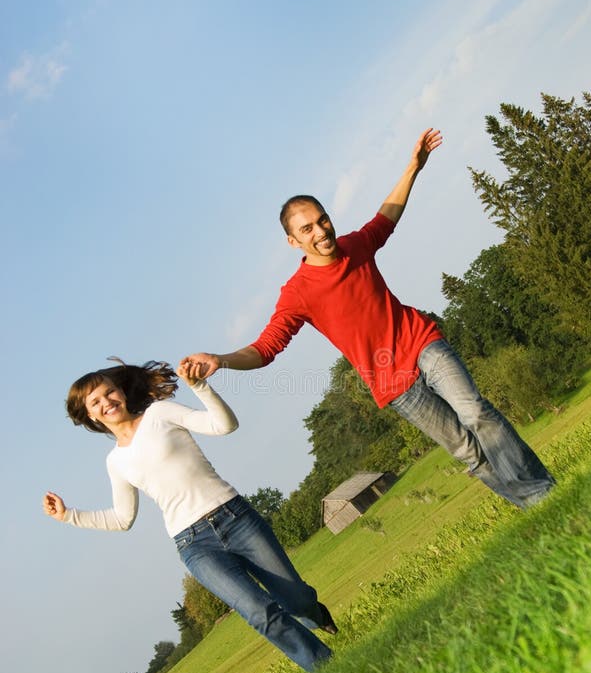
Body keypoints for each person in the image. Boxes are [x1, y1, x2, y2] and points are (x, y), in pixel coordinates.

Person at [182, 128, 555, 509]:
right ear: (293, 241)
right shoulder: (297, 293)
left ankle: (543, 494)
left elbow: (385, 218)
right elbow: (266, 348)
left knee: (476, 413)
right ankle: (533, 507)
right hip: (391, 382)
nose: (321, 231)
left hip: (421, 342)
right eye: (307, 228)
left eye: (322, 220)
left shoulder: (355, 247)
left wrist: (414, 167)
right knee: (466, 450)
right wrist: (221, 360)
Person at [42, 359, 336, 673]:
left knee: (296, 599)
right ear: (89, 415)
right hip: (194, 545)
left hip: (235, 516)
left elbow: (224, 426)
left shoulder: (159, 413)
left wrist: (200, 387)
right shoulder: (115, 461)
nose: (107, 402)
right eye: (96, 402)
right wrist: (69, 516)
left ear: (121, 392)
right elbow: (121, 519)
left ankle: (312, 613)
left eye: (109, 392)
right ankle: (326, 667)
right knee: (258, 612)